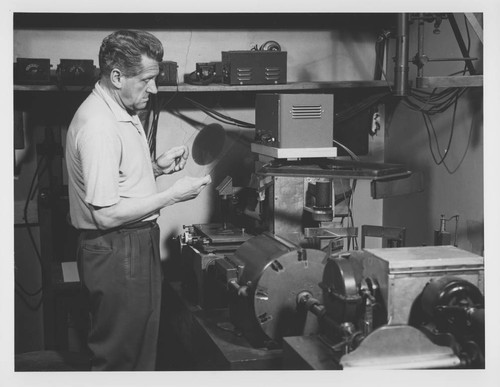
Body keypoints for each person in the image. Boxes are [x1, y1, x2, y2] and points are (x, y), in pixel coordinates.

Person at [65, 29, 211, 371]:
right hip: (118, 246)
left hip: (130, 244)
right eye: (146, 79)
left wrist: (154, 169)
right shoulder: (99, 126)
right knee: (121, 358)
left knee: (140, 349)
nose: (154, 89)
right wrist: (171, 196)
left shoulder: (119, 109)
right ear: (117, 76)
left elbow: (114, 183)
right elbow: (105, 215)